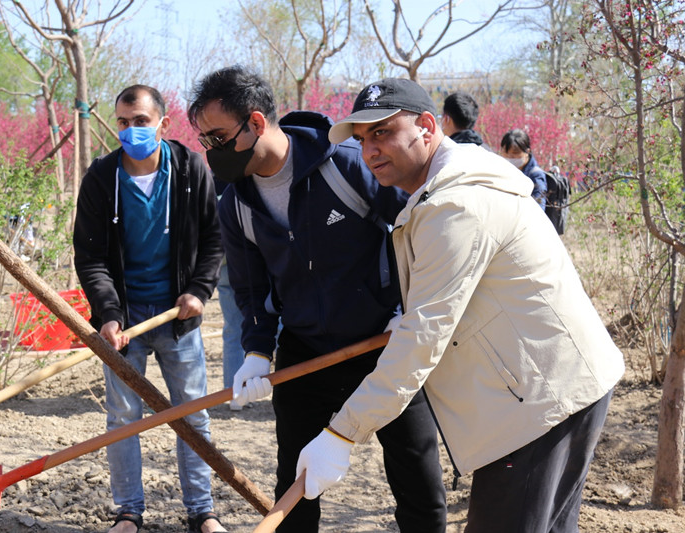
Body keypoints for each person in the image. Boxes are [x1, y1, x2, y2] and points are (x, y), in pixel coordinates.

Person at [296, 78, 625, 533]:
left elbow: (423, 338)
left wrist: (342, 432)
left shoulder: (457, 204)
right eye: (363, 139)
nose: (370, 150)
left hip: (541, 398)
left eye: (384, 132)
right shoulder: (442, 191)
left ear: (427, 127)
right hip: (550, 381)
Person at [187, 66, 446, 533]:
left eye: (219, 137)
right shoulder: (236, 205)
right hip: (305, 351)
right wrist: (257, 352)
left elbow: (415, 228)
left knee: (418, 481)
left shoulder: (346, 164)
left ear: (257, 122)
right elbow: (251, 290)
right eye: (205, 141)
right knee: (297, 482)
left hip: (382, 346)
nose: (212, 151)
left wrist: (404, 308)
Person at [73, 85, 226, 533]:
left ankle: (202, 511)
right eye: (122, 122)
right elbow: (91, 256)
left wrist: (198, 290)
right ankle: (127, 512)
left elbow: (213, 240)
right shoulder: (102, 178)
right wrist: (108, 314)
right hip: (124, 318)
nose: (131, 130)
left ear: (163, 122)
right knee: (122, 418)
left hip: (178, 317)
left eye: (140, 121)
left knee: (192, 412)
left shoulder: (190, 169)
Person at [212, 178, 246, 408]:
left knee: (233, 329)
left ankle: (234, 395)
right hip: (249, 258)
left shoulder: (212, 181)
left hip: (222, 260)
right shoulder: (246, 175)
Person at [500, 128, 548, 209]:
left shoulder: (536, 176)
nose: (509, 157)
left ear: (527, 152)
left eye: (515, 153)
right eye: (505, 152)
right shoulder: (504, 170)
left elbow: (539, 208)